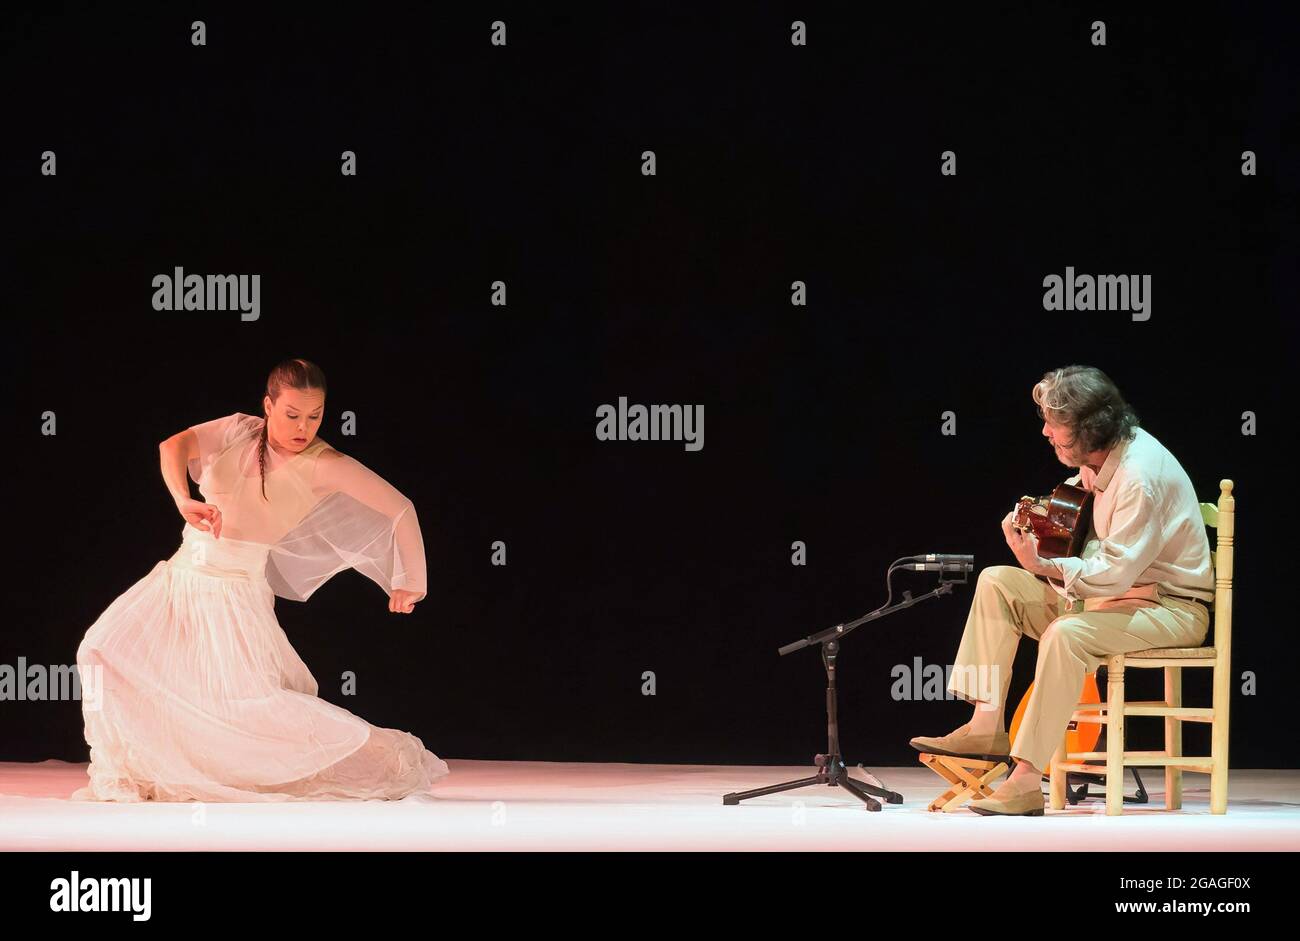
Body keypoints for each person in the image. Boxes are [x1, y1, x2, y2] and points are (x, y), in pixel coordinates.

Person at [72, 358, 450, 801]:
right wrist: (184, 500)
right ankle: (149, 765)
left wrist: (409, 581)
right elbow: (171, 446)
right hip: (180, 577)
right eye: (291, 414)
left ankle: (383, 756)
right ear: (267, 406)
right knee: (100, 649)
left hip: (235, 593)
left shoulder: (325, 464)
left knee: (247, 707)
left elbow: (401, 508)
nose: (303, 427)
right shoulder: (237, 431)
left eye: (314, 416)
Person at [909, 365, 1213, 816]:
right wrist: (1040, 517)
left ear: (1090, 429)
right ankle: (985, 725)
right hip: (1111, 598)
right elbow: (1081, 505)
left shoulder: (1140, 476)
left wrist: (1041, 562)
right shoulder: (1099, 459)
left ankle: (1027, 778)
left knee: (1066, 634)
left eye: (1057, 424)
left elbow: (1114, 572)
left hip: (1170, 606)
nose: (1047, 431)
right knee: (998, 583)